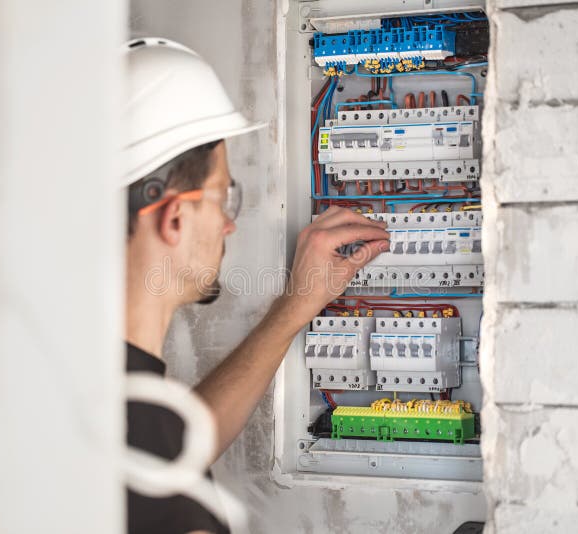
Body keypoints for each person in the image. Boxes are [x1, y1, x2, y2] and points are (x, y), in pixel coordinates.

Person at [123, 38, 390, 534]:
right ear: (175, 216)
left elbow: (178, 441)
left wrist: (294, 308)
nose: (229, 225)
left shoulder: (99, 394)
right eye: (225, 198)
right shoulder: (153, 481)